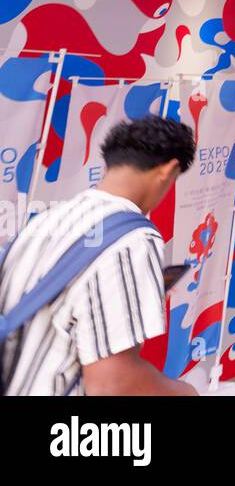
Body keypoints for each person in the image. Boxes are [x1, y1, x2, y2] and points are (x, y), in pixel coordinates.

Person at [0, 116, 199, 396]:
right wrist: (185, 392)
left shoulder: (47, 220)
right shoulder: (133, 238)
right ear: (169, 170)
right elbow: (112, 384)